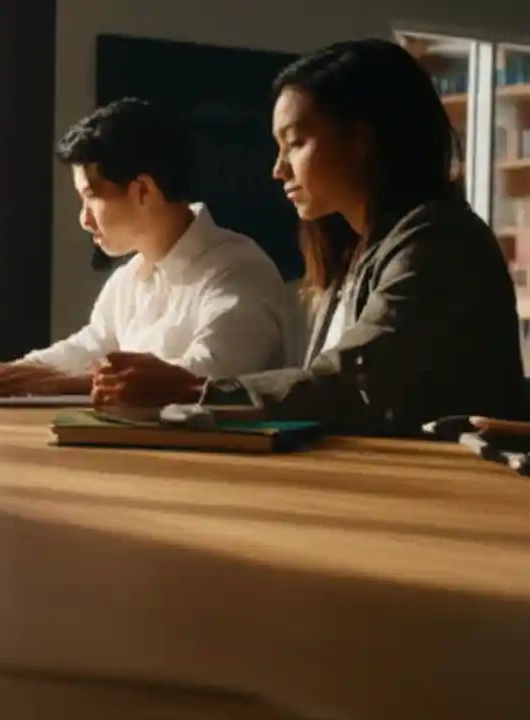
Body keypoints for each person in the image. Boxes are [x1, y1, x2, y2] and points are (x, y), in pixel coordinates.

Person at [92, 39, 528, 434]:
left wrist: (195, 390)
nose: (277, 169)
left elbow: (350, 381)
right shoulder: (353, 254)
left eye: (295, 143)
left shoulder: (439, 243)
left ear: (361, 139)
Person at [0, 98, 296, 398]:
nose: (84, 219)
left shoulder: (238, 269)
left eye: (91, 197)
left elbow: (210, 375)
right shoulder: (130, 277)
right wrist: (3, 373)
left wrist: (63, 383)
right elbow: (89, 346)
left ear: (143, 191)